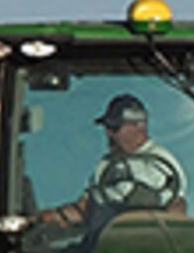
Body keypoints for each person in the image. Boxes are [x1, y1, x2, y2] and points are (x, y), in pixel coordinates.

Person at [33, 94, 185, 232]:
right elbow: (85, 208)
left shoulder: (161, 164)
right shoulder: (106, 164)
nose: (108, 133)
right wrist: (45, 218)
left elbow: (173, 209)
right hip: (98, 243)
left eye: (114, 127)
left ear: (138, 126)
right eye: (107, 127)